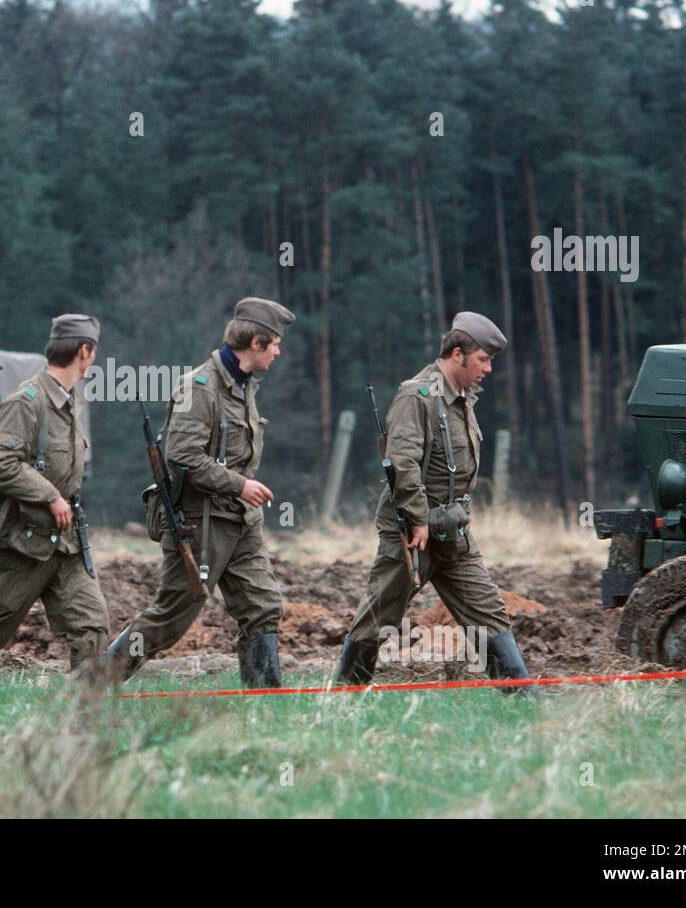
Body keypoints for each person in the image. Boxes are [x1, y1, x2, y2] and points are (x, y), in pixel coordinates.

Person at [334, 311, 543, 696]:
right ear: (458, 354)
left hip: (453, 529)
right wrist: (416, 520)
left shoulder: (462, 399)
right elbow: (402, 463)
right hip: (414, 532)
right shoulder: (419, 397)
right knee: (382, 613)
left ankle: (522, 696)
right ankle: (343, 697)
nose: (489, 369)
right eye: (483, 359)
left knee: (487, 609)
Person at [108, 297, 294, 687]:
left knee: (263, 606)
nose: (278, 351)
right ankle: (94, 683)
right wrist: (239, 485)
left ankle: (267, 703)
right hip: (200, 522)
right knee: (172, 616)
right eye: (274, 343)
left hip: (240, 521)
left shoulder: (243, 386)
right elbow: (183, 455)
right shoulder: (199, 387)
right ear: (256, 342)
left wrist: (240, 492)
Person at [0, 314, 111, 688]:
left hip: (66, 540)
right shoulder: (27, 401)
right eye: (94, 351)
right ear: (85, 352)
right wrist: (49, 496)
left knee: (91, 622)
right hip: (23, 539)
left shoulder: (71, 402)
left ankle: (84, 711)